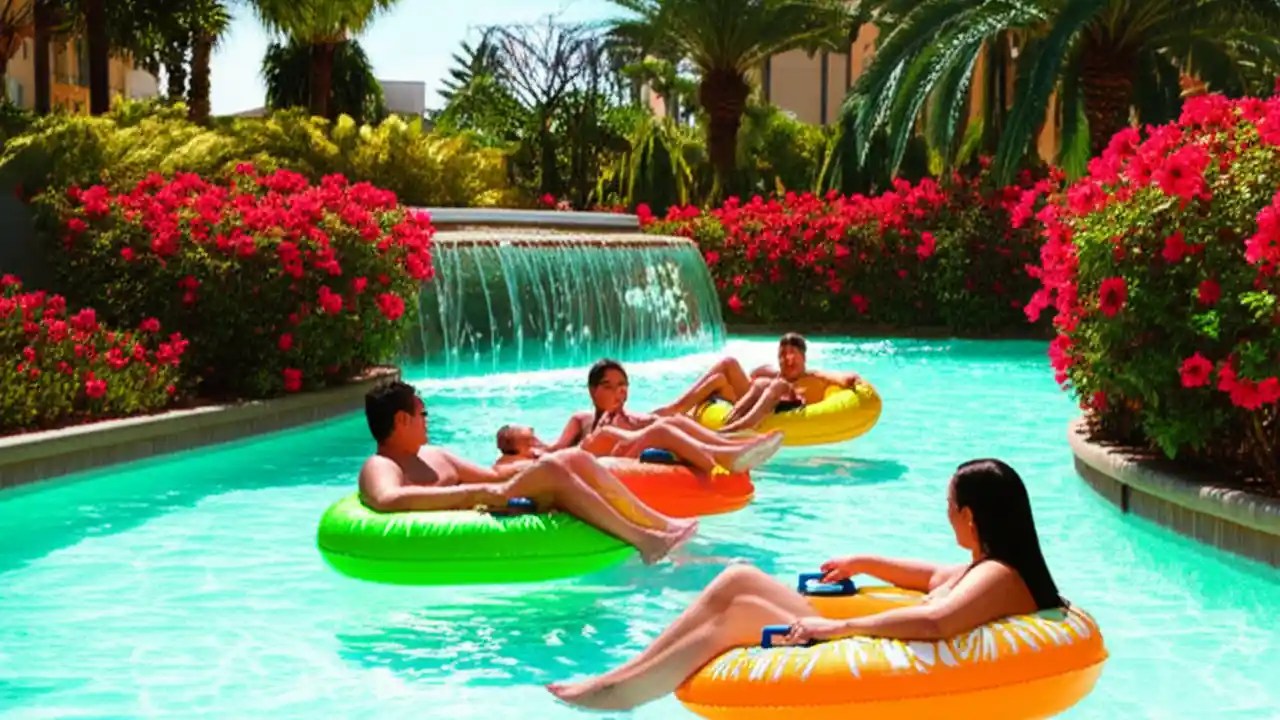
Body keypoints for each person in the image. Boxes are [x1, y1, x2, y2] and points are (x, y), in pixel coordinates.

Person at [546, 458, 1065, 711]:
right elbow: (930, 577)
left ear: (971, 517)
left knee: (737, 613)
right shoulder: (991, 564)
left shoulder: (999, 575)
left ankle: (621, 693)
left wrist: (837, 629)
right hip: (867, 635)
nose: (946, 516)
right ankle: (625, 676)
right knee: (738, 577)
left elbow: (935, 621)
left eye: (949, 508)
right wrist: (863, 561)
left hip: (868, 646)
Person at [357, 380, 698, 564]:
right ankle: (644, 541)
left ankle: (657, 525)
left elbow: (493, 478)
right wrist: (469, 494)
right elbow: (388, 499)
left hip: (490, 495)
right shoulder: (381, 465)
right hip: (477, 506)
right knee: (554, 465)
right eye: (422, 414)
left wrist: (533, 464)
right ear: (402, 421)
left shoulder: (435, 454)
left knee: (570, 462)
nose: (426, 420)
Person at [544, 358, 784, 474]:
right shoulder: (582, 420)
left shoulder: (635, 419)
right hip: (604, 463)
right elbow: (557, 449)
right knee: (660, 429)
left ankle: (731, 445)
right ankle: (724, 454)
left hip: (626, 458)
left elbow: (671, 425)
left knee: (673, 422)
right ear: (593, 391)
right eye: (608, 386)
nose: (618, 391)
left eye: (622, 385)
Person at [654, 333, 866, 433]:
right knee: (723, 373)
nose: (787, 359)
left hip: (784, 406)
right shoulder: (773, 374)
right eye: (782, 355)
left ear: (803, 357)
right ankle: (678, 409)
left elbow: (840, 379)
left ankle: (683, 412)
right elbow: (754, 380)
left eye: (793, 354)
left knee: (745, 372)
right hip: (757, 401)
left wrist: (853, 379)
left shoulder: (813, 376)